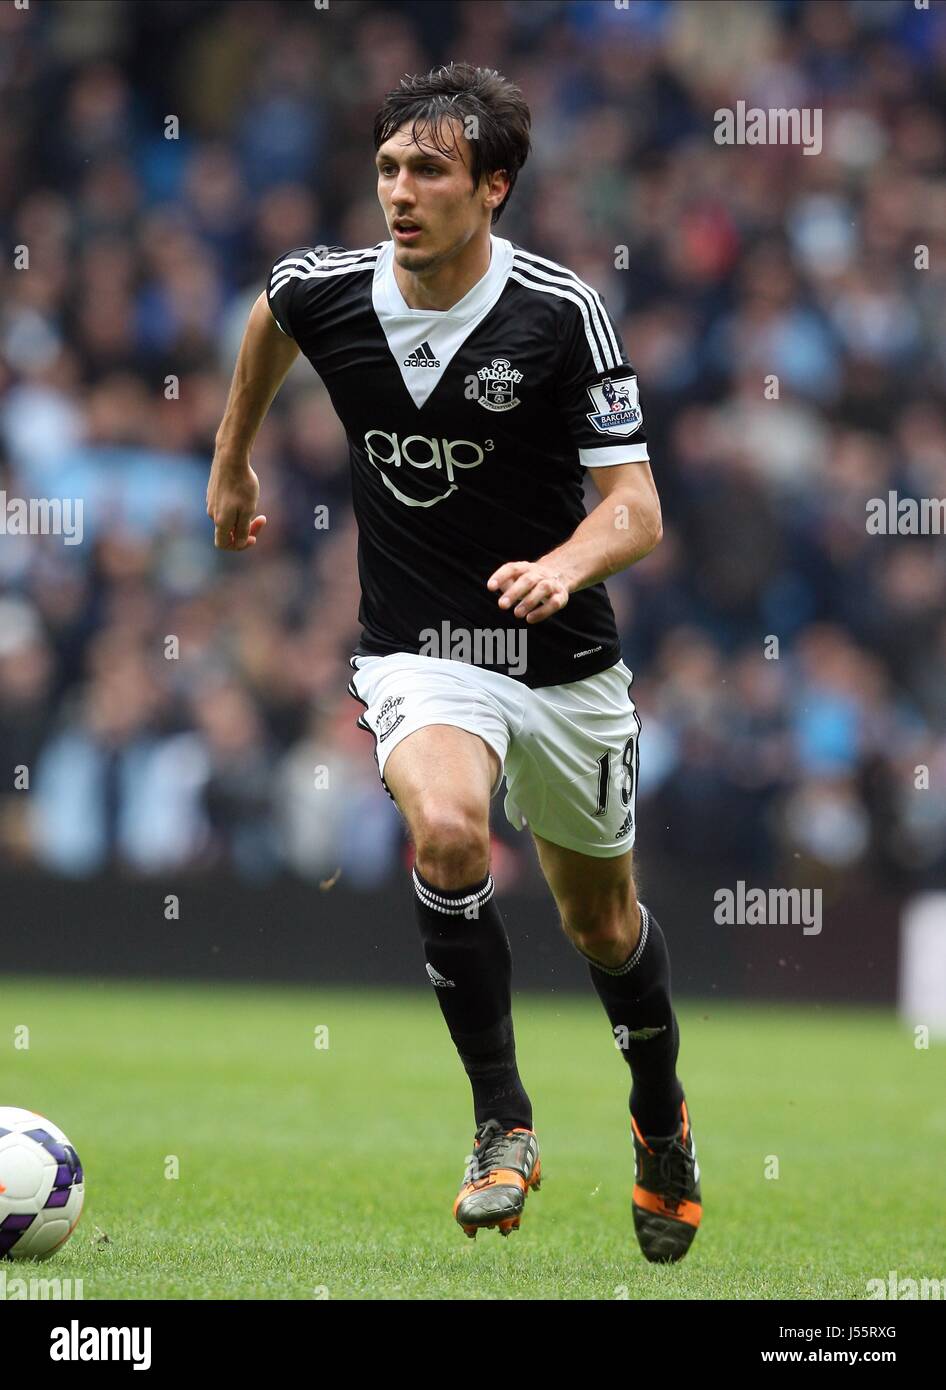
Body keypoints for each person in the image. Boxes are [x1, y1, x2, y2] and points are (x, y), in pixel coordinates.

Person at [206, 62, 701, 1263]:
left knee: (602, 921)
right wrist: (232, 464)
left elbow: (633, 508)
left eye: (428, 169)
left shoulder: (558, 310)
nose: (399, 191)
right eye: (386, 168)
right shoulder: (327, 289)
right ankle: (501, 1122)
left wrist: (567, 567)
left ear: (494, 187)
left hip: (565, 661)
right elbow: (269, 316)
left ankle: (659, 1118)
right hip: (423, 649)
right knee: (441, 831)